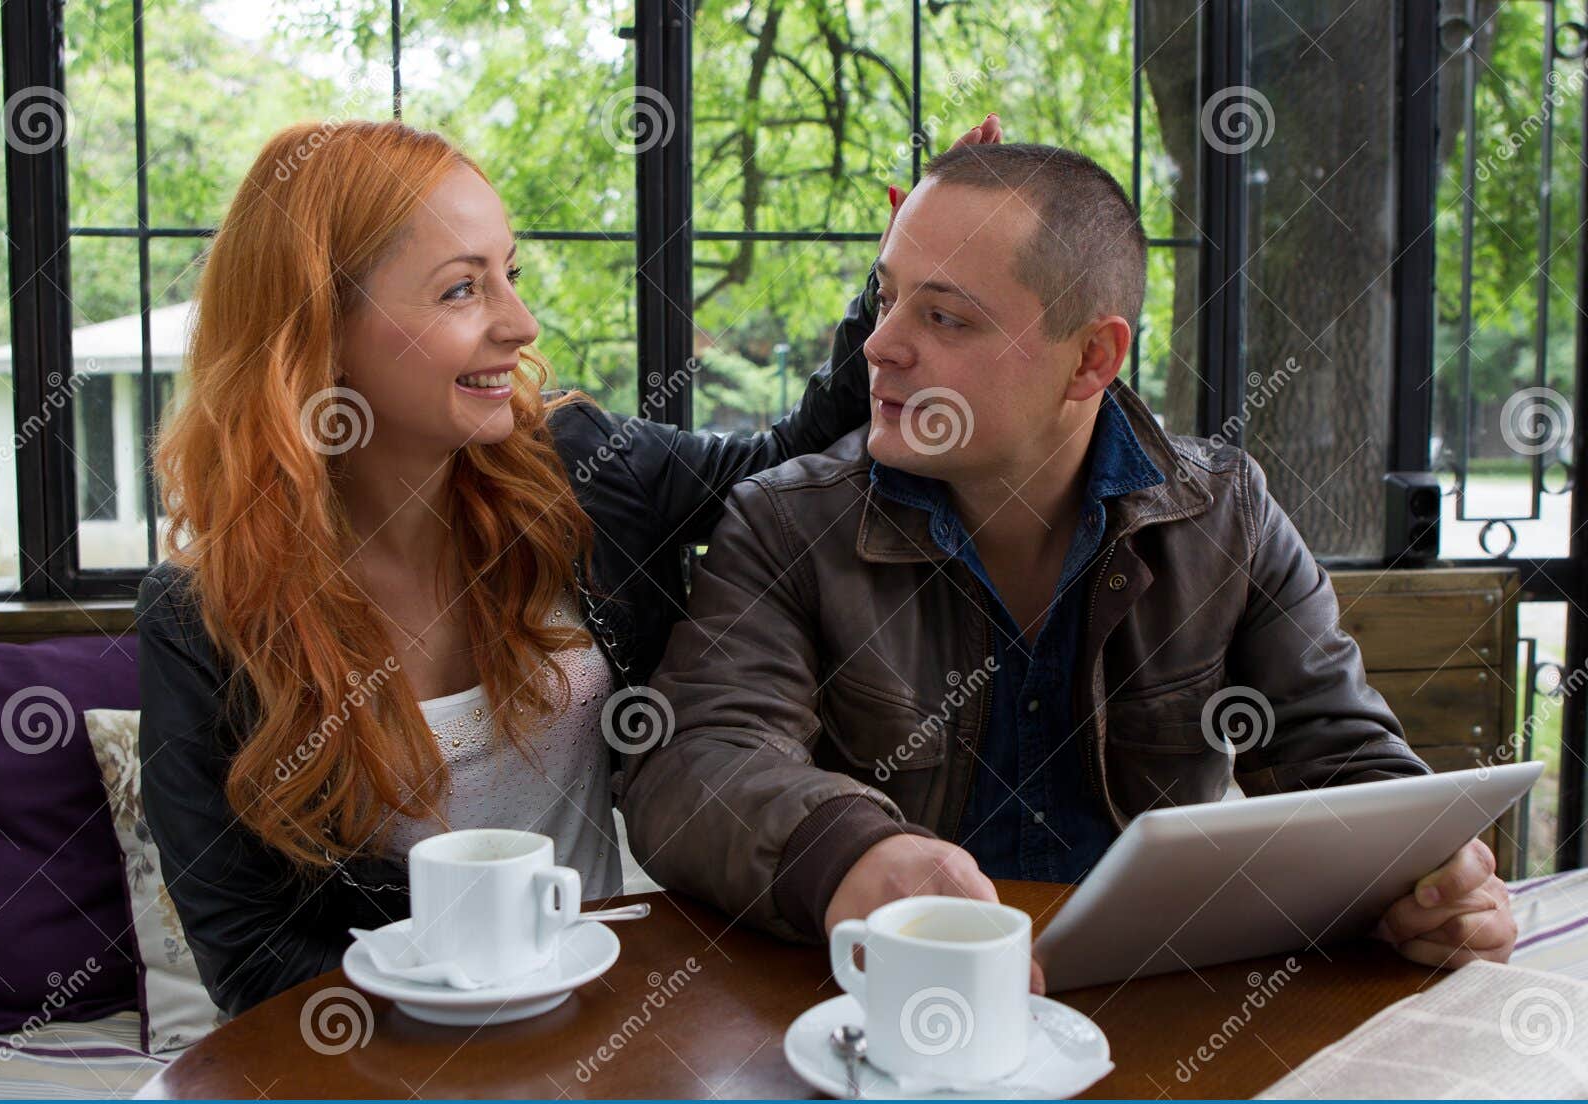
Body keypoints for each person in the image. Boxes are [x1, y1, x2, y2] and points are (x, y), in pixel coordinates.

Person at [622, 140, 1517, 988]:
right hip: (895, 1020)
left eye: (943, 316)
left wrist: (1435, 884)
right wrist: (851, 854)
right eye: (886, 296)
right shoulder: (788, 520)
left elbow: (1345, 758)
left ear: (1092, 357)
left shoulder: (1225, 513)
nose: (880, 345)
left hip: (1164, 1019)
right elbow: (697, 763)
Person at [136, 115, 901, 1017]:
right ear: (320, 331)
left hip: (610, 1024)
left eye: (512, 274)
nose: (521, 323)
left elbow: (787, 460)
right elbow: (251, 961)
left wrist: (893, 288)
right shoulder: (201, 614)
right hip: (389, 1074)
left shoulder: (578, 466)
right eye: (462, 290)